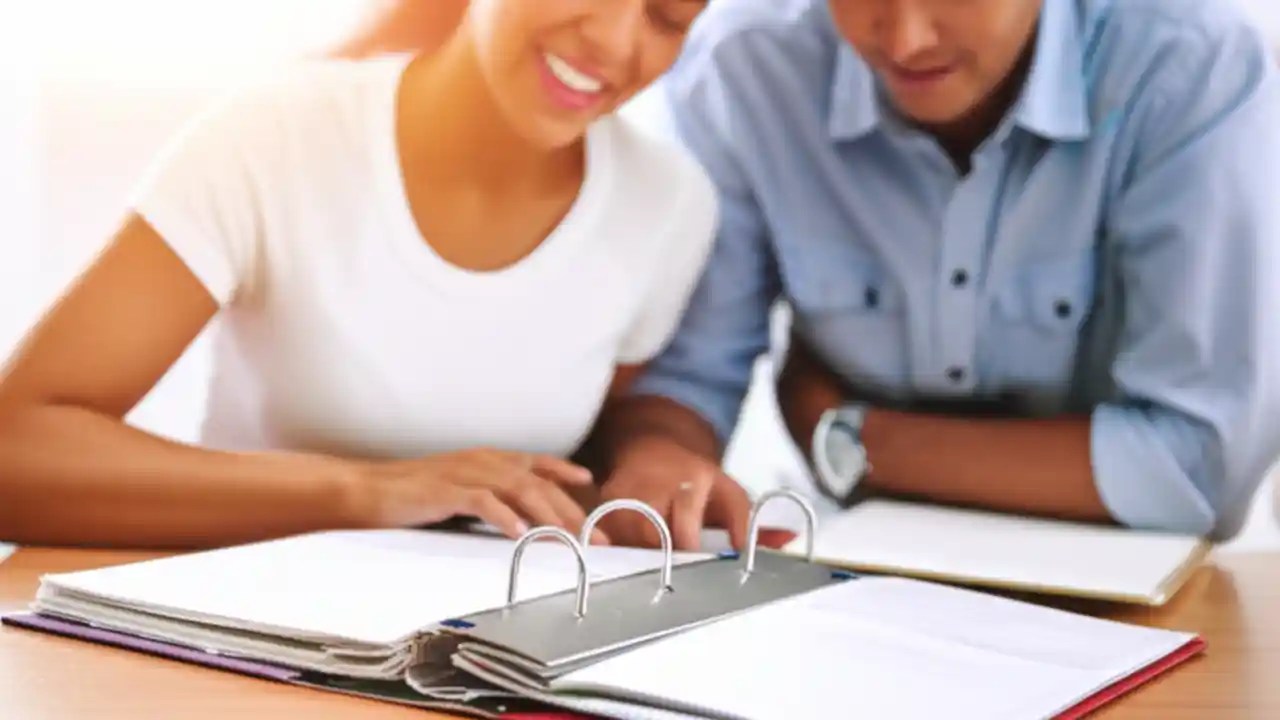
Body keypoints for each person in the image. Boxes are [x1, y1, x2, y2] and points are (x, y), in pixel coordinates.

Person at [0, 0, 715, 548]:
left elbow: (592, 442)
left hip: (481, 662)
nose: (617, 42)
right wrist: (365, 490)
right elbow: (16, 454)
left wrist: (656, 459)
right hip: (241, 634)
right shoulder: (276, 137)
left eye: (667, 15)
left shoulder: (669, 204)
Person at [592, 0, 1280, 550]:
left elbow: (1198, 467)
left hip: (1130, 597)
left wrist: (849, 436)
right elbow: (688, 382)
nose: (905, 37)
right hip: (855, 583)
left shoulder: (1197, 66)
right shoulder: (744, 67)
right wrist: (661, 452)